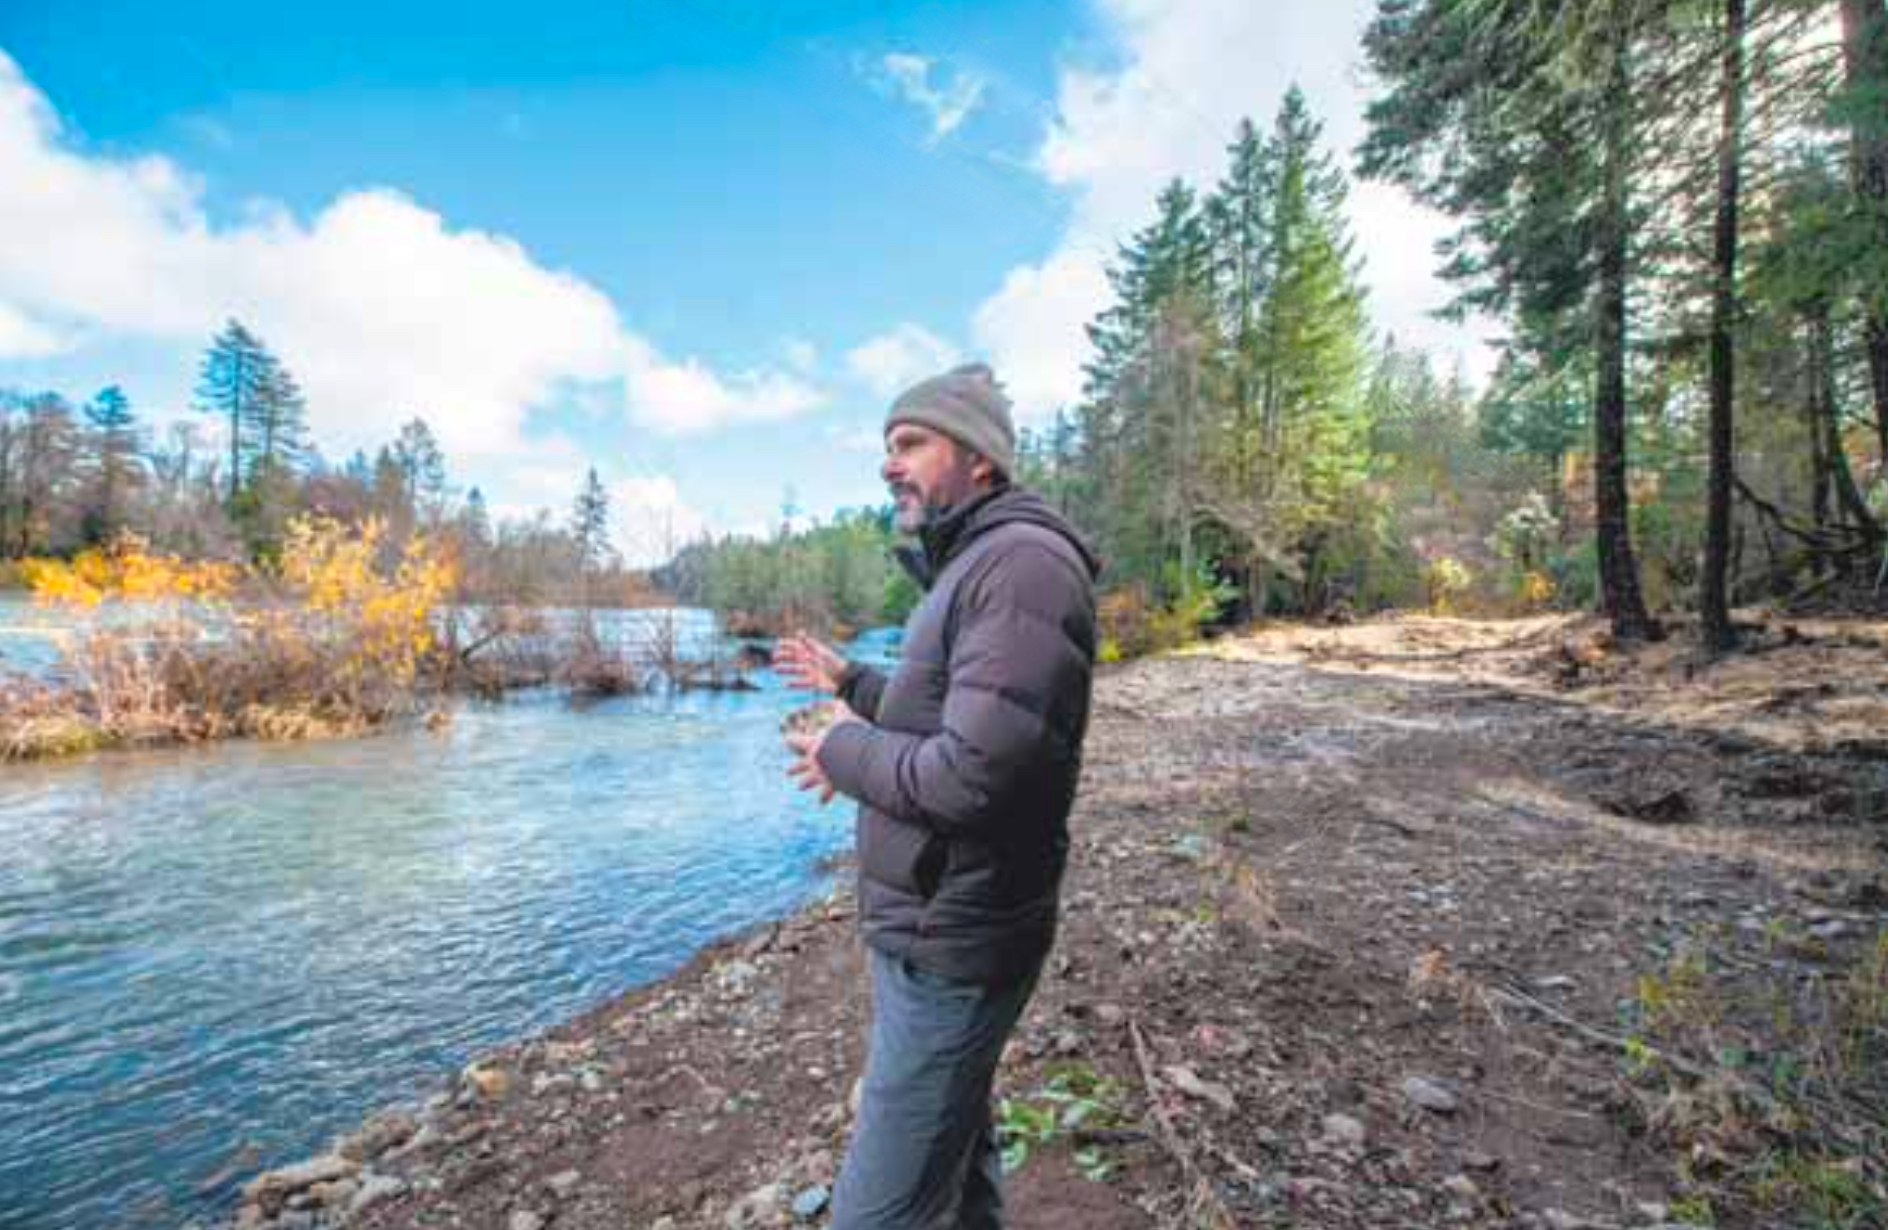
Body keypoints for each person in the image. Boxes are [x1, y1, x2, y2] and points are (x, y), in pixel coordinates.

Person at [776, 363, 1100, 1230]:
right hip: (936, 924)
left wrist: (844, 749)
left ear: (981, 460)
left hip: (954, 938)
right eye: (887, 445)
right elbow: (948, 713)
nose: (889, 463)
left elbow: (975, 776)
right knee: (957, 1167)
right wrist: (855, 684)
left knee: (876, 1214)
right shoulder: (976, 566)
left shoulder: (1022, 567)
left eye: (911, 442)